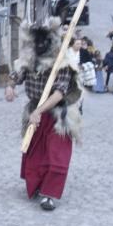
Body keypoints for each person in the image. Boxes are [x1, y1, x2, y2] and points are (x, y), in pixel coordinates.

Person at [5, 19, 82, 211]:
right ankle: (39, 184)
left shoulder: (62, 62)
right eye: (36, 41)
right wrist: (10, 86)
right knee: (35, 154)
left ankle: (50, 194)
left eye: (43, 41)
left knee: (57, 155)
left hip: (58, 114)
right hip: (35, 111)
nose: (39, 45)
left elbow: (59, 92)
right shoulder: (30, 58)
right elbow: (18, 74)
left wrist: (40, 111)